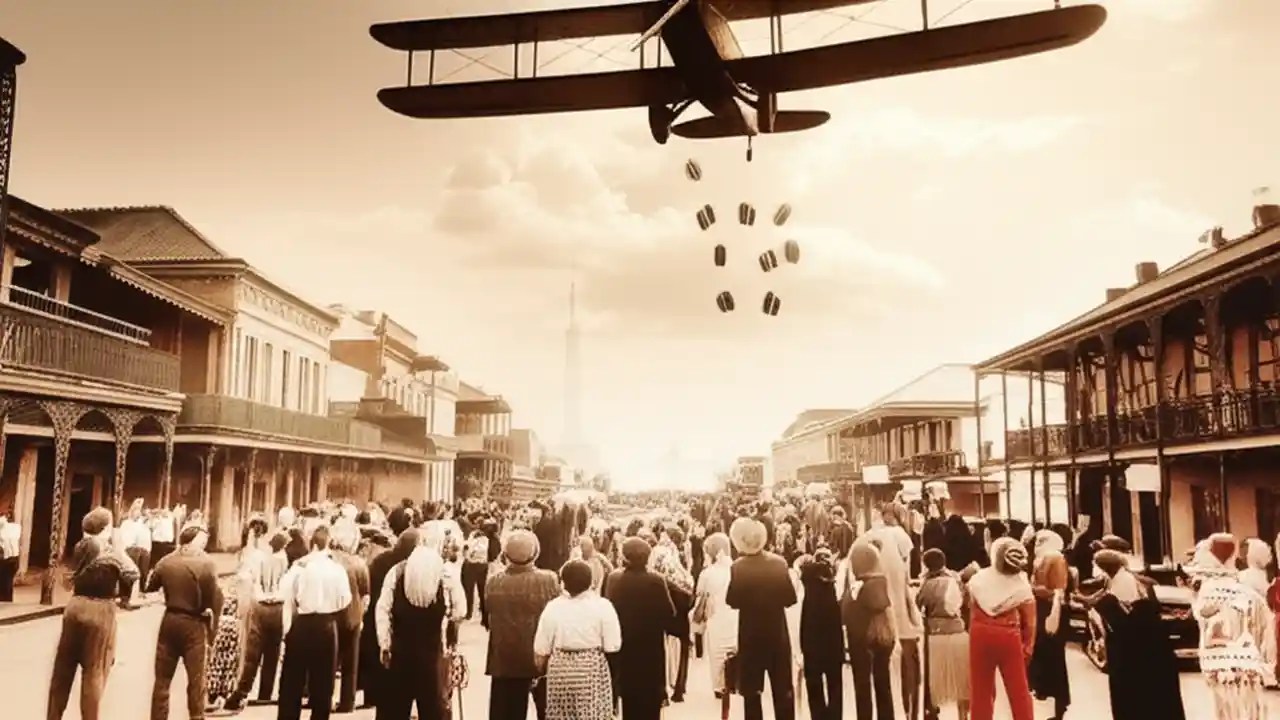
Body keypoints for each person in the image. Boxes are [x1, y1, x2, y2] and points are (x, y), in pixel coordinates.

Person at [48, 507, 139, 720]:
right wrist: (120, 548)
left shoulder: (79, 547)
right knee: (94, 671)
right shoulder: (109, 551)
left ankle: (53, 716)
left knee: (63, 669)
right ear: (106, 528)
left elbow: (67, 581)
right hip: (101, 610)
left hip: (75, 607)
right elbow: (132, 573)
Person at [374, 529, 467, 719]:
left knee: (394, 709)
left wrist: (384, 644)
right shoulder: (445, 574)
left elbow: (382, 610)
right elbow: (461, 611)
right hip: (433, 656)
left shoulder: (398, 572)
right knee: (434, 709)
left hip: (400, 653)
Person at [1090, 549, 1185, 720]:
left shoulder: (1123, 583)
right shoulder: (1122, 580)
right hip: (1144, 648)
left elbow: (1123, 621)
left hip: (1134, 651)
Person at [144, 522, 221, 720]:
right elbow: (214, 599)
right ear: (195, 540)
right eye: (203, 539)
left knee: (162, 680)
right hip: (194, 623)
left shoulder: (166, 561)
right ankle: (196, 717)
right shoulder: (206, 563)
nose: (205, 543)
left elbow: (150, 586)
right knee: (196, 680)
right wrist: (212, 629)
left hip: (170, 621)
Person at [1189, 533, 1269, 720]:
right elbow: (1260, 622)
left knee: (1226, 709)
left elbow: (1201, 618)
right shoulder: (1243, 587)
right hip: (1247, 657)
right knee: (1247, 707)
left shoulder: (1207, 589)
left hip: (1219, 659)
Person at [278, 524, 353, 720]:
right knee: (323, 683)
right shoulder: (337, 569)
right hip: (327, 625)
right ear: (329, 543)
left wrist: (287, 627)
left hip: (301, 623)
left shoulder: (300, 567)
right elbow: (345, 600)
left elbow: (285, 594)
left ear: (313, 544)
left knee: (292, 682)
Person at [725, 516, 797, 720]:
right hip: (777, 635)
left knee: (751, 693)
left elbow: (732, 601)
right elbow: (790, 599)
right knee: (783, 690)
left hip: (750, 636)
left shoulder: (738, 567)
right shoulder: (779, 563)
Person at [485, 529, 561, 720]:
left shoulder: (494, 582)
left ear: (506, 554)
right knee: (548, 711)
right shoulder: (549, 580)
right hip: (540, 657)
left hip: (505, 658)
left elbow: (488, 616)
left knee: (506, 712)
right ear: (535, 553)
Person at [534, 560, 622, 720]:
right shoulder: (603, 606)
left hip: (561, 668)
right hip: (592, 668)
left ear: (563, 583)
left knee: (561, 715)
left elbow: (541, 648)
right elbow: (613, 645)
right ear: (591, 582)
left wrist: (540, 669)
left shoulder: (553, 607)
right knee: (593, 714)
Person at [605, 536, 675, 720]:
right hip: (650, 646)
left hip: (624, 644)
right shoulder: (656, 580)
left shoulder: (614, 579)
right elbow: (669, 613)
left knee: (629, 698)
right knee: (651, 701)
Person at [967, 536, 1036, 720]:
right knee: (1019, 691)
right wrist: (1028, 645)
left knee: (980, 691)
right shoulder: (1021, 584)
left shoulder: (979, 579)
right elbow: (1030, 619)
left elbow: (970, 608)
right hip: (1008, 635)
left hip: (980, 634)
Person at [224, 530, 290, 711]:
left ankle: (242, 691)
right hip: (278, 606)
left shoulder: (258, 558)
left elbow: (246, 579)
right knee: (272, 653)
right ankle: (265, 693)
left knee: (253, 653)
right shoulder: (284, 559)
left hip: (259, 606)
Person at [360, 528, 418, 711]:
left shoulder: (380, 560)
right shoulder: (408, 567)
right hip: (397, 620)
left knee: (373, 658)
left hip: (374, 615)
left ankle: (371, 695)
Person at [838, 539, 894, 720]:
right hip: (883, 638)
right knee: (883, 684)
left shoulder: (858, 586)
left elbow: (844, 613)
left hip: (861, 640)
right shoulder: (881, 581)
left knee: (862, 686)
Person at [918, 548, 970, 720]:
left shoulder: (927, 584)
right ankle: (963, 716)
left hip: (936, 635)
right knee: (963, 684)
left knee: (935, 684)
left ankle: (932, 713)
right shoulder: (956, 580)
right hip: (959, 633)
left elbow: (918, 605)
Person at [695, 532, 739, 720]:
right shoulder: (738, 569)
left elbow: (699, 595)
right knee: (735, 648)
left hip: (715, 617)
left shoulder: (707, 573)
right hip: (736, 615)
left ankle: (719, 686)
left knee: (716, 653)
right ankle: (735, 680)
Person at [1028, 529, 1070, 719]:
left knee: (1054, 658)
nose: (1037, 544)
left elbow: (1058, 591)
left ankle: (1059, 706)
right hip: (1041, 608)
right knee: (1045, 656)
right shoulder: (1041, 559)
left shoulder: (1055, 559)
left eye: (1042, 540)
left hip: (1052, 610)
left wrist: (1035, 590)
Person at [332, 516, 371, 713]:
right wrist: (361, 615)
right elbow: (366, 595)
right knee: (350, 661)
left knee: (328, 660)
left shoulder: (330, 559)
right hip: (353, 615)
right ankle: (348, 701)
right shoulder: (359, 563)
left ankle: (321, 696)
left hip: (332, 614)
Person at [799, 549, 843, 720]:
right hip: (833, 647)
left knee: (814, 685)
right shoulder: (831, 594)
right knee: (835, 684)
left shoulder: (809, 594)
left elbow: (804, 626)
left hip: (812, 648)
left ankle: (818, 716)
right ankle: (835, 716)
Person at [461, 527, 490, 621]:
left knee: (469, 591)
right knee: (482, 590)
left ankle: (468, 613)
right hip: (483, 566)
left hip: (471, 566)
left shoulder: (471, 538)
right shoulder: (486, 540)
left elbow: (466, 553)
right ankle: (484, 615)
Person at [0, 511, 20, 602]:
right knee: (8, 580)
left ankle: (5, 599)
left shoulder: (3, 528)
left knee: (5, 580)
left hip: (6, 558)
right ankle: (7, 599)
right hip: (14, 557)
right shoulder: (16, 528)